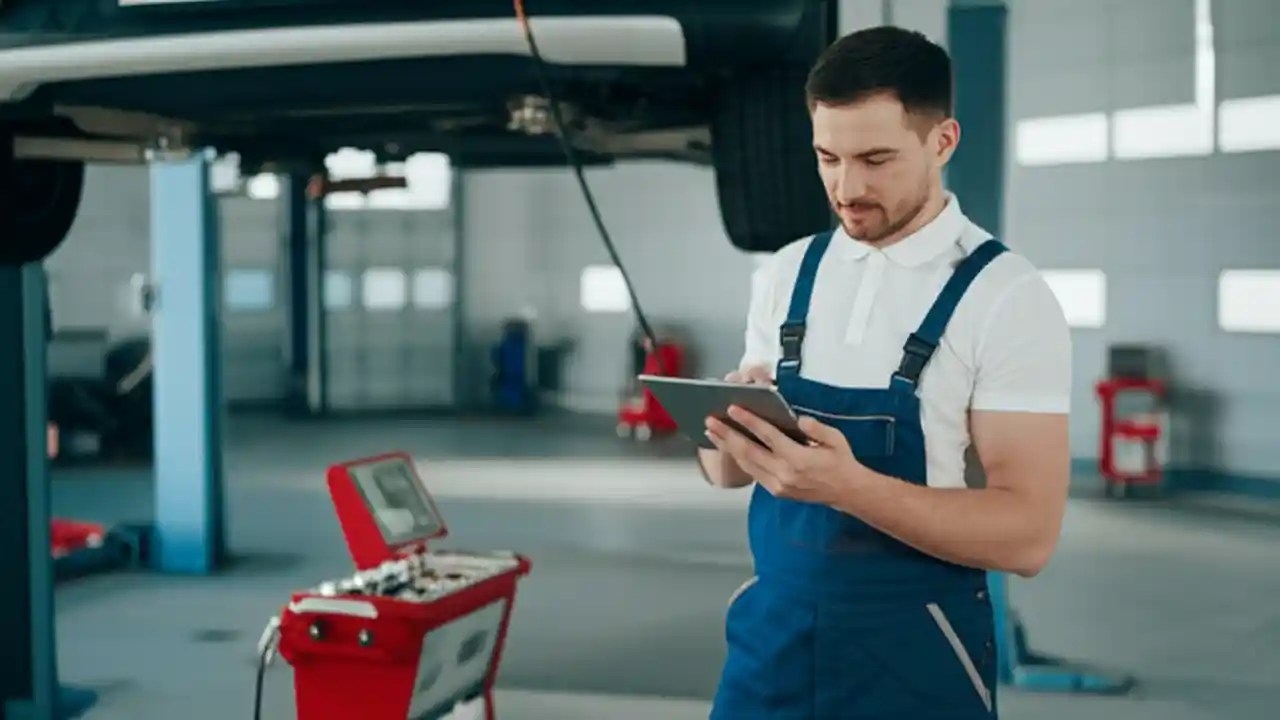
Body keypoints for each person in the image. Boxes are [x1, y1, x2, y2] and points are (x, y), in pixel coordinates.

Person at [699, 26, 1072, 719]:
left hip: (913, 654)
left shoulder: (1005, 296)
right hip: (769, 650)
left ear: (943, 142)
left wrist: (851, 489)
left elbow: (1028, 535)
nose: (847, 187)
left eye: (876, 159)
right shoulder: (787, 274)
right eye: (827, 157)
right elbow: (725, 475)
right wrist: (728, 434)